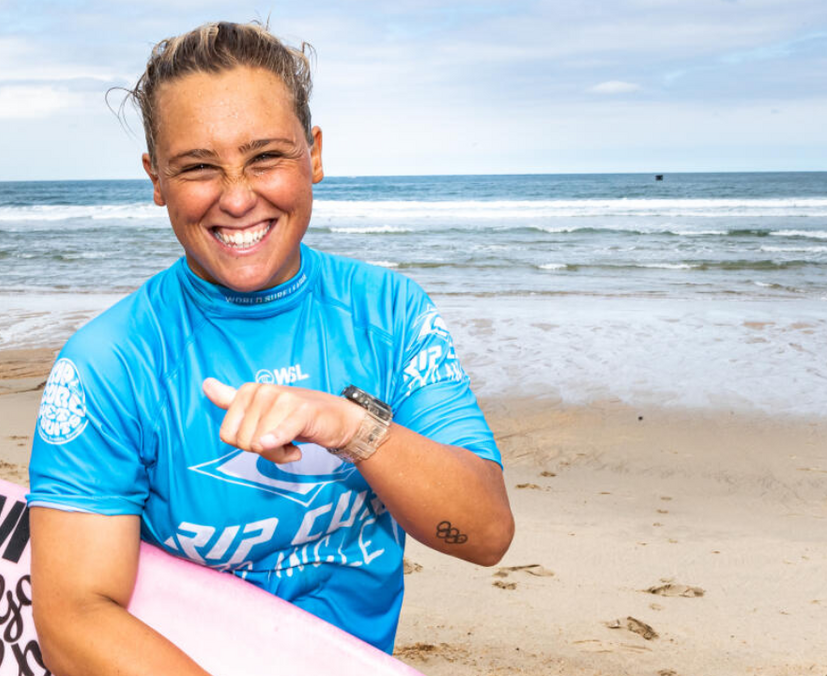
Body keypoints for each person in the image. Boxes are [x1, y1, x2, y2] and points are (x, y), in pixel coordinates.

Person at [27, 21, 514, 674]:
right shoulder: (108, 365)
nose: (235, 198)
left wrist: (350, 427)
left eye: (265, 158)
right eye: (199, 168)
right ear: (156, 180)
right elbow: (72, 618)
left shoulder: (388, 315)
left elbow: (484, 535)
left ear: (313, 153)